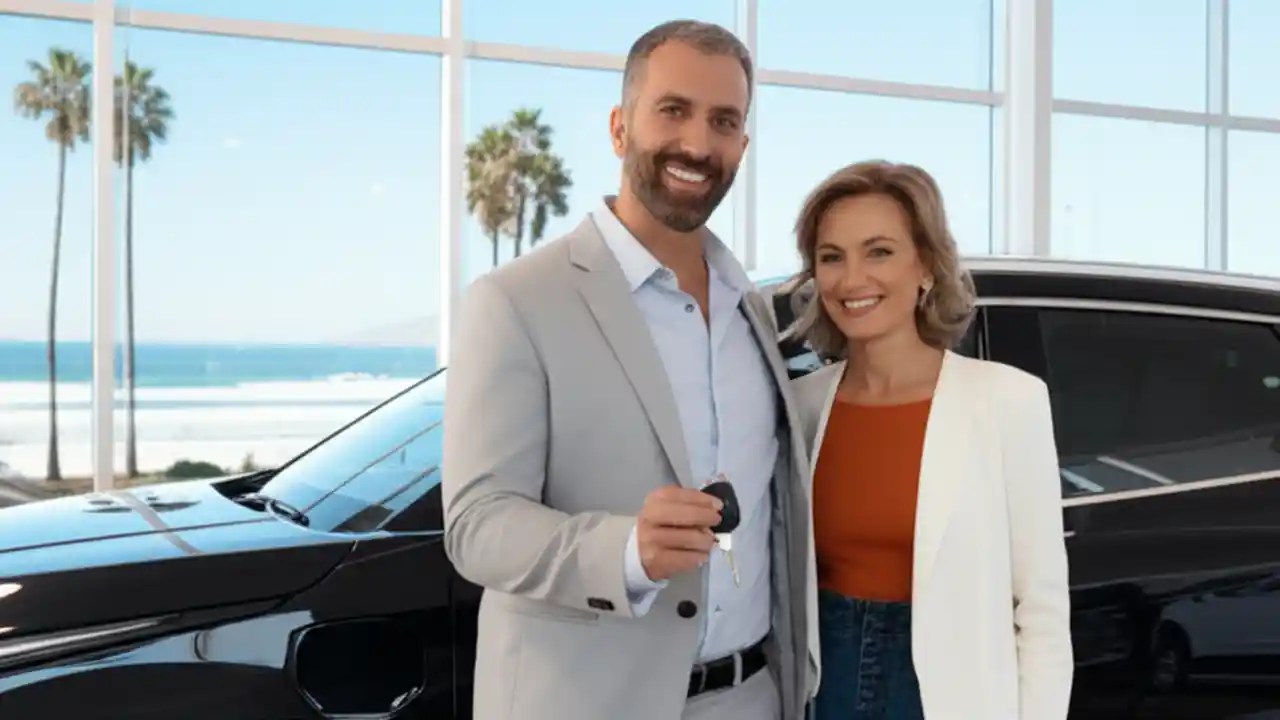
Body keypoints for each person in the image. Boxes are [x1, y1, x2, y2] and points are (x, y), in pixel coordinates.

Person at [441, 19, 818, 720]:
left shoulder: (753, 310)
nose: (697, 144)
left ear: (742, 144)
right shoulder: (517, 300)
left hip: (753, 697)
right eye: (673, 110)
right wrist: (625, 551)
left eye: (724, 121)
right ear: (620, 129)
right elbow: (477, 524)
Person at [786, 160, 1074, 719]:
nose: (852, 279)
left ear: (925, 265)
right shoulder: (802, 406)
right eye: (831, 257)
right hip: (823, 691)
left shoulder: (1007, 401)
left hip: (947, 698)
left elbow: (1041, 611)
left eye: (879, 252)